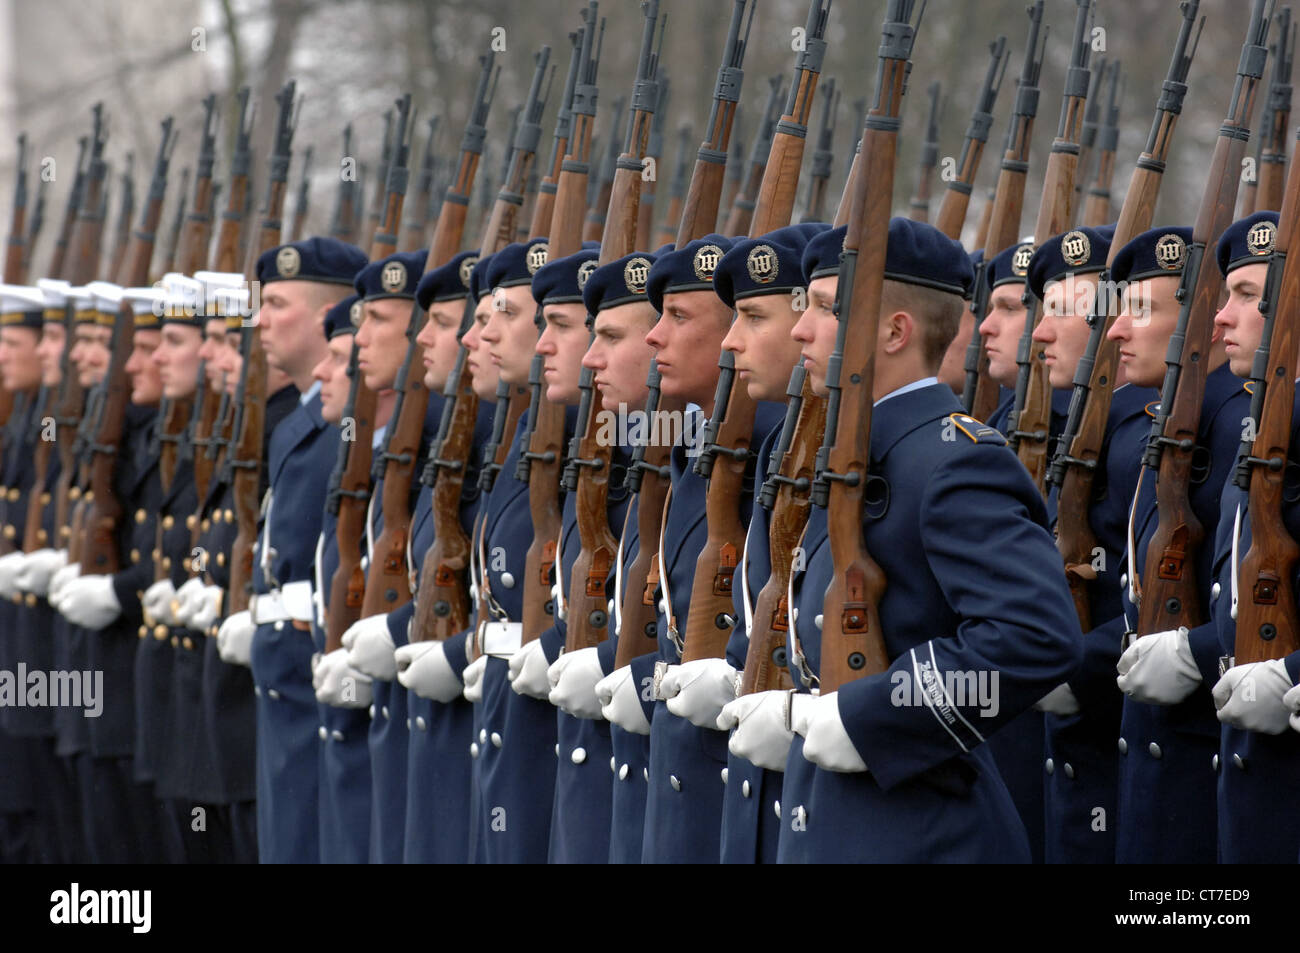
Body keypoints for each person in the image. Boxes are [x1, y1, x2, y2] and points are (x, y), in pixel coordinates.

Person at [761, 216, 1081, 862]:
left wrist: (869, 715)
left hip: (923, 835)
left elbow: (1034, 635)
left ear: (895, 330)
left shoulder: (953, 461)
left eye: (824, 309)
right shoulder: (857, 455)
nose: (800, 328)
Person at [1105, 214, 1255, 864]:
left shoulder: (1232, 423)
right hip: (1152, 758)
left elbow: (1251, 600)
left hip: (1205, 759)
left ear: (1191, 322)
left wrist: (1196, 651)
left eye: (1140, 308)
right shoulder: (1164, 418)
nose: (1113, 329)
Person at [216, 236, 366, 863]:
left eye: (276, 303)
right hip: (286, 680)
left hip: (317, 676)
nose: (260, 321)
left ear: (324, 312)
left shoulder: (345, 425)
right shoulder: (304, 419)